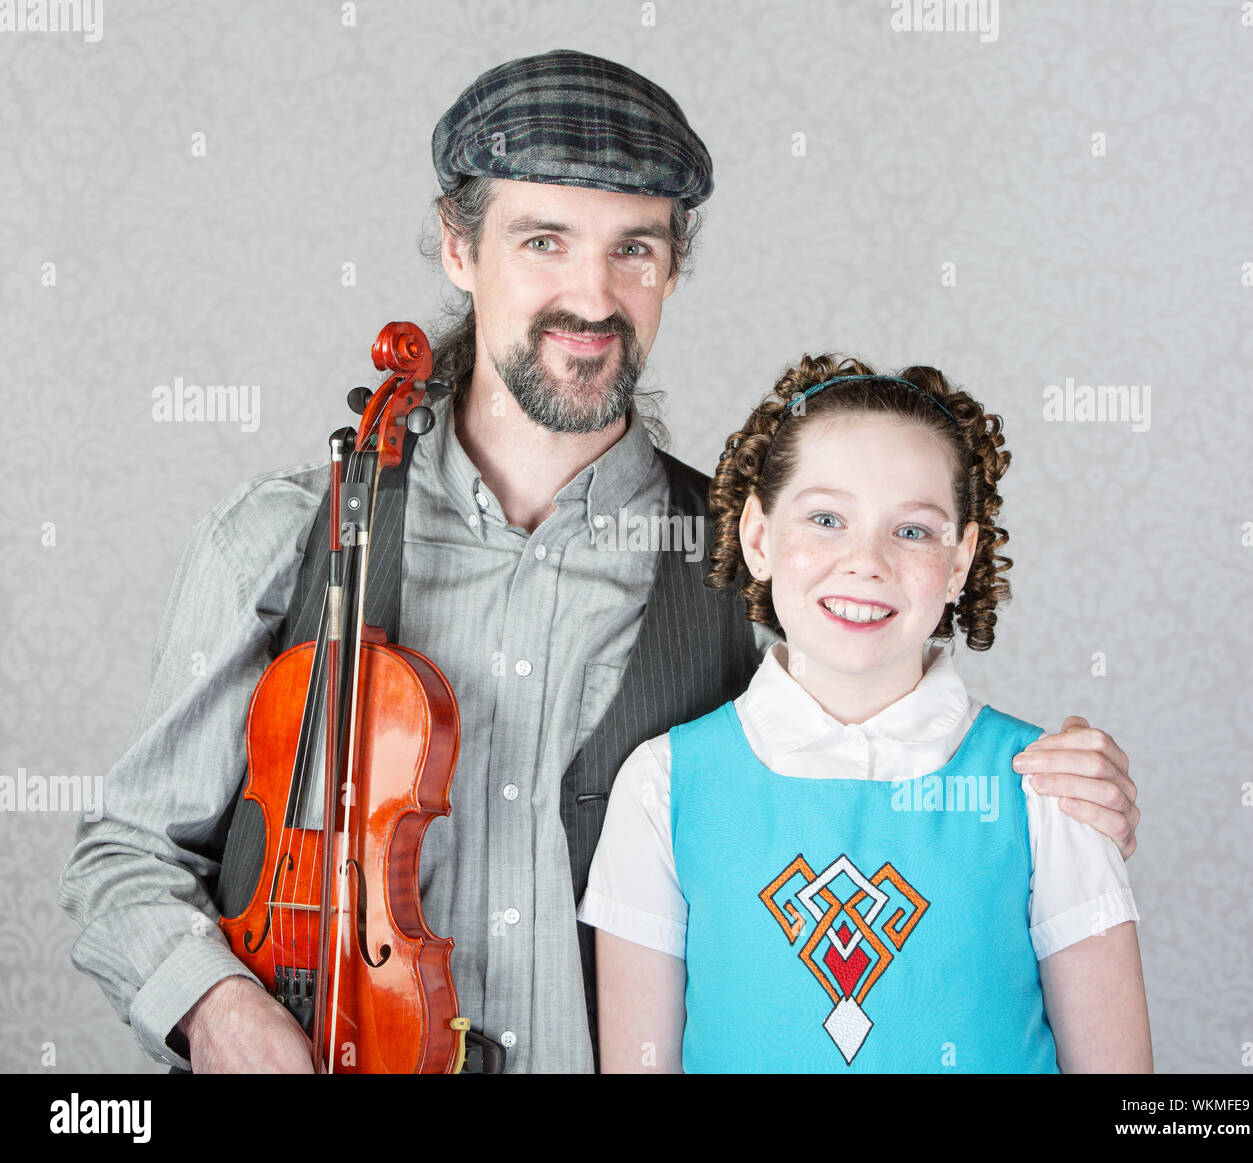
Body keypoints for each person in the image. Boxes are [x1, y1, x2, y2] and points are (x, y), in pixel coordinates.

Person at [59, 50, 1141, 1075]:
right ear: (456, 246)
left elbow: (883, 772)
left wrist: (1047, 791)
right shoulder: (289, 534)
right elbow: (127, 854)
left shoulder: (751, 558)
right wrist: (219, 1007)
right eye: (543, 241)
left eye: (633, 247)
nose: (592, 295)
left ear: (672, 268)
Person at [583, 354, 1153, 1073]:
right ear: (758, 537)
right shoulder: (663, 787)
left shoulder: (1049, 792)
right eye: (826, 518)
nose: (867, 561)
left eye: (912, 530)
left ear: (960, 560)